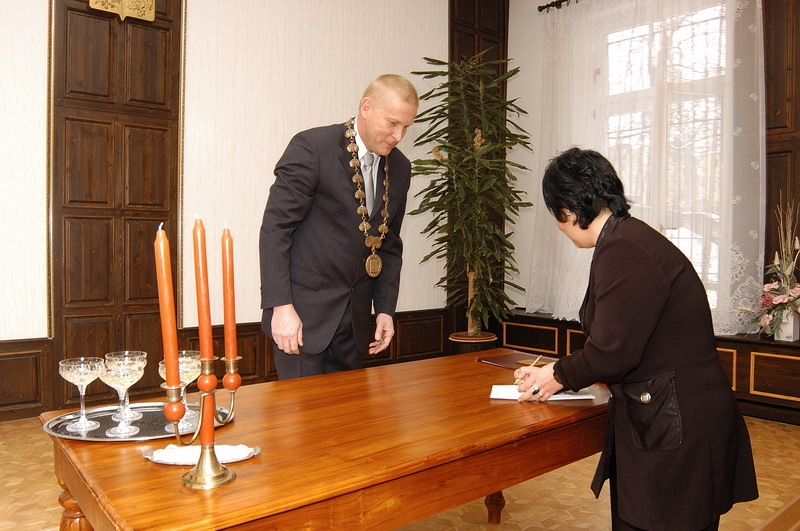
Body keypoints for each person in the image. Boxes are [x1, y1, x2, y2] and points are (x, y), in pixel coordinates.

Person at [514, 147, 758, 530]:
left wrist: (556, 375)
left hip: (677, 428)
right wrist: (557, 370)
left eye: (554, 215)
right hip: (674, 415)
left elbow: (611, 352)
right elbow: (622, 336)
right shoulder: (628, 239)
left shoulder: (624, 248)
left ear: (567, 210)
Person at [259, 74, 419, 379]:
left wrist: (384, 308)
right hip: (301, 320)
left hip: (354, 325)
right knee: (300, 425)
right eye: (392, 123)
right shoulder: (312, 147)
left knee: (345, 423)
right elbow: (276, 230)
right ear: (366, 107)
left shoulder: (400, 168)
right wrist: (280, 306)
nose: (399, 135)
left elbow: (389, 244)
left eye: (406, 127)